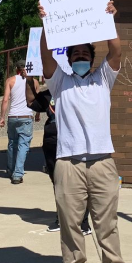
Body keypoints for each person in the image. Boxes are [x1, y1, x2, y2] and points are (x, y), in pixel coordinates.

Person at [39, 1, 130, 263]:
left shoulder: (103, 78)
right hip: (68, 163)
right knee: (70, 223)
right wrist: (46, 24)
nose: (80, 56)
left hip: (102, 162)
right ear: (68, 59)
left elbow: (116, 51)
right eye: (75, 53)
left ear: (92, 58)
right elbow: (46, 56)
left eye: (85, 53)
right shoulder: (60, 83)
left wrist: (109, 20)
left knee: (107, 223)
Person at [27, 75, 91, 235]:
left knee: (78, 180)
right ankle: (61, 218)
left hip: (75, 141)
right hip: (52, 141)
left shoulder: (79, 90)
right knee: (57, 181)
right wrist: (29, 80)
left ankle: (83, 222)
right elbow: (31, 102)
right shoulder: (49, 93)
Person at [3, 66, 35, 184]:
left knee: (12, 143)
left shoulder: (10, 80)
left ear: (16, 68)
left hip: (13, 116)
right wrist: (37, 114)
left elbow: (5, 99)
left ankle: (11, 170)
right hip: (26, 116)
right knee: (23, 145)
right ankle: (17, 174)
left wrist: (2, 117)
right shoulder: (34, 81)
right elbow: (36, 99)